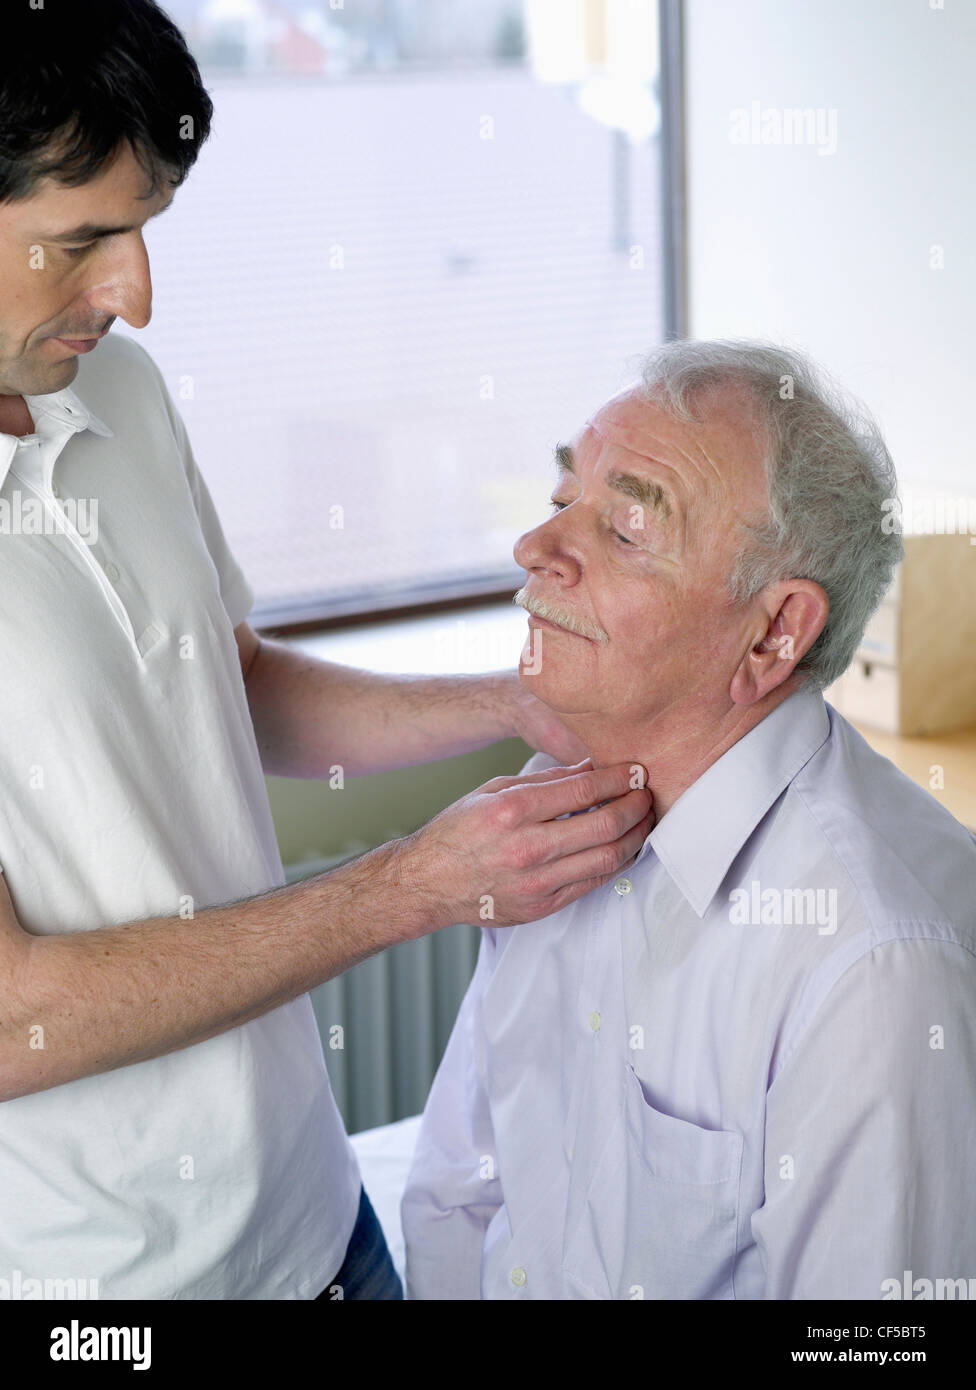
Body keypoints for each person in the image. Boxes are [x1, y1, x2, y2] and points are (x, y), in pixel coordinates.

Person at [0, 0, 654, 1300]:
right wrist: (412, 885)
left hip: (319, 1218)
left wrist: (520, 698)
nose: (135, 293)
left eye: (146, 227)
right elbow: (13, 1017)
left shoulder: (110, 384)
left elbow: (222, 684)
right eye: (81, 242)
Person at [401, 338, 976, 1300]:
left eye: (624, 527)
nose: (533, 549)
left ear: (773, 632)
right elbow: (460, 1192)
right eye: (559, 502)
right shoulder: (550, 805)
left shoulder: (875, 966)